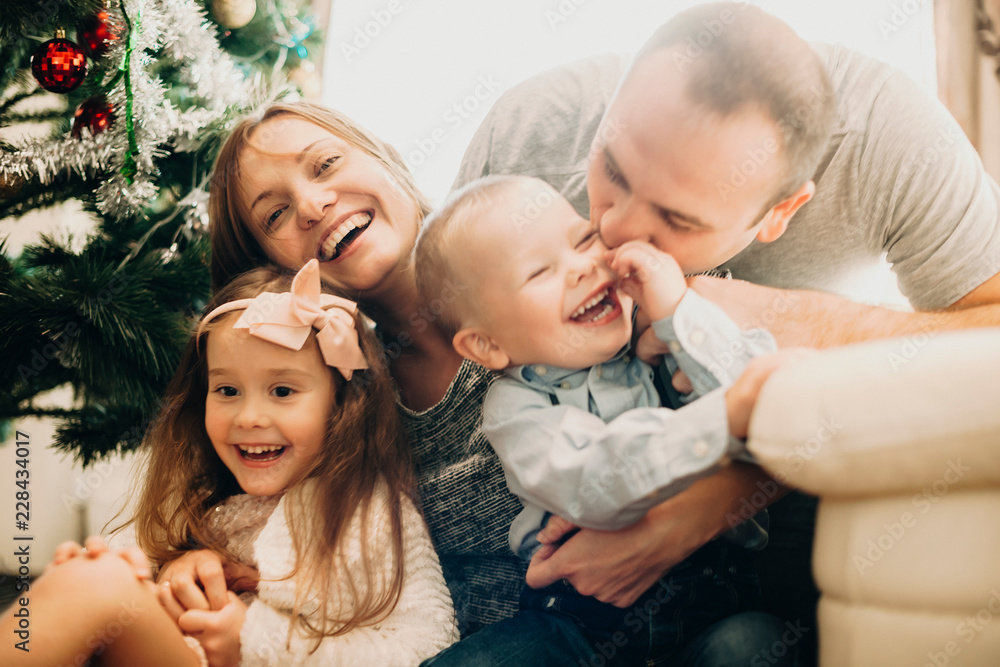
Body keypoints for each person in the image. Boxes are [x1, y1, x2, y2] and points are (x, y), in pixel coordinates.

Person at [149, 99, 799, 667]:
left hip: (702, 602)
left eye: (324, 165)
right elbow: (254, 494)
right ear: (277, 267)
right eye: (276, 214)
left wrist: (665, 533)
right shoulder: (337, 396)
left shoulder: (575, 279)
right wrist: (191, 561)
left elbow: (793, 413)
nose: (314, 204)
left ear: (386, 160)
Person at [451, 2, 1000, 663]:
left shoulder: (893, 138)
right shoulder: (529, 132)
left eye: (676, 219)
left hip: (750, 534)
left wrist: (774, 322)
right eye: (613, 172)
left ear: (781, 212)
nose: (619, 232)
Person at [412, 173, 811, 664]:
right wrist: (722, 419)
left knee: (754, 645)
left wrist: (679, 312)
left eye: (584, 239)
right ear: (487, 345)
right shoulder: (516, 409)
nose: (582, 266)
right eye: (540, 272)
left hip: (716, 609)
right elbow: (596, 482)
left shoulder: (670, 340)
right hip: (580, 629)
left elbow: (771, 398)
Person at [0, 260, 457, 667]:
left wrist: (253, 638)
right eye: (227, 391)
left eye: (282, 391)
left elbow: (429, 648)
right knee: (93, 579)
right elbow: (155, 570)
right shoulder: (204, 493)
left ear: (340, 404)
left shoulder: (369, 513)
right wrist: (171, 568)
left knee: (95, 587)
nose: (249, 417)